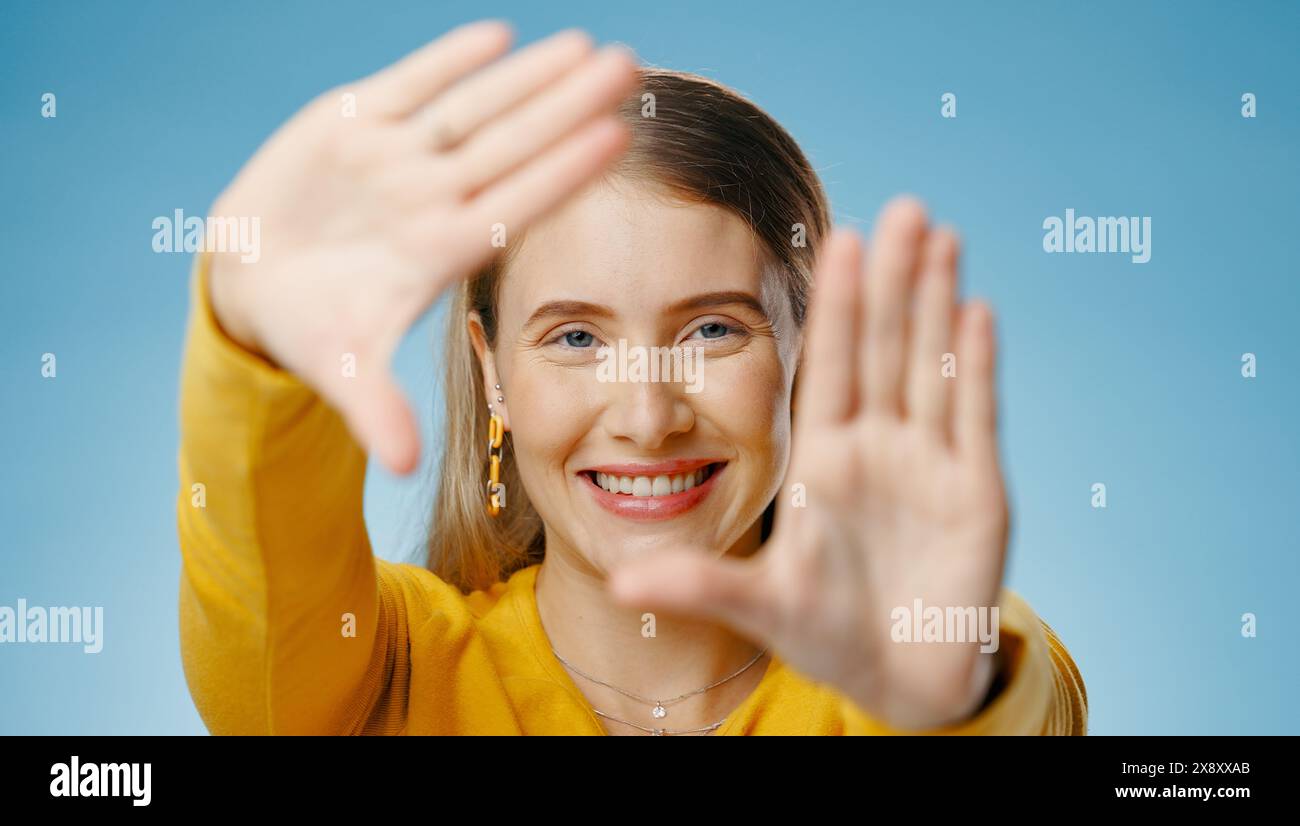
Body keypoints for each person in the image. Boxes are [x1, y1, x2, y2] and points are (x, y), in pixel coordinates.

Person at [177, 20, 1087, 735]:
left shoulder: (956, 670)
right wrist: (257, 352)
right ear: (492, 371)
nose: (649, 418)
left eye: (713, 329)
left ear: (805, 355)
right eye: (575, 338)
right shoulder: (381, 674)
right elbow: (264, 601)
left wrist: (949, 698)